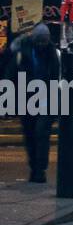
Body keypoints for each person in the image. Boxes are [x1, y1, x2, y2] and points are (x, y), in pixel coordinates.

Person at [4, 23, 62, 182]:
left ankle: (40, 169)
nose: (42, 46)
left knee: (41, 133)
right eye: (40, 42)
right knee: (30, 134)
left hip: (46, 99)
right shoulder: (22, 51)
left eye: (44, 42)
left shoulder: (53, 52)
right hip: (26, 98)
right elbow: (10, 74)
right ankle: (34, 167)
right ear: (34, 40)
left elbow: (57, 77)